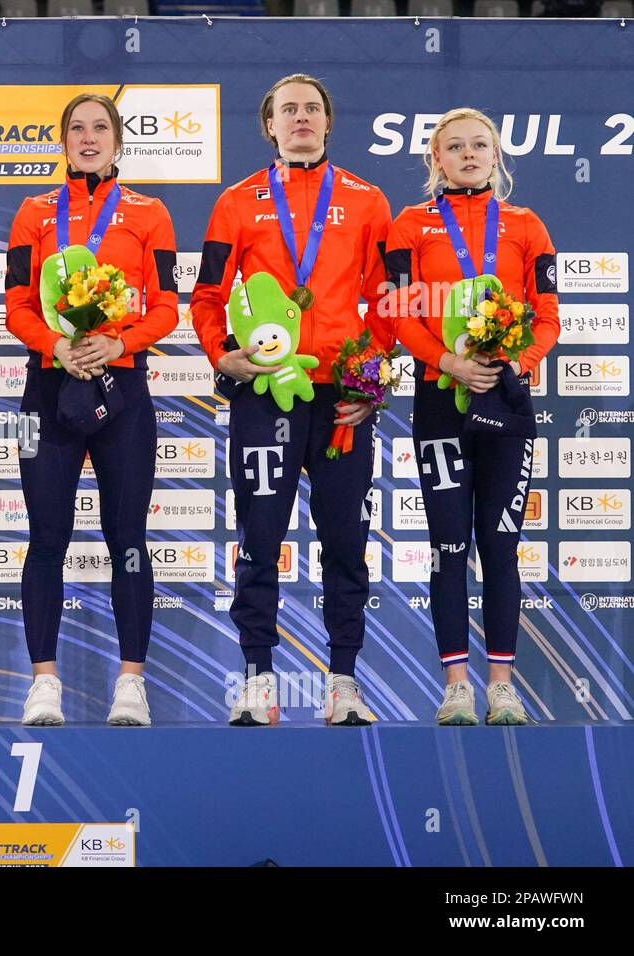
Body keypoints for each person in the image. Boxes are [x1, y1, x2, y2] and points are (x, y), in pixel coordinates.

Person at [190, 73, 393, 727]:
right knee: (259, 539)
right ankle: (256, 681)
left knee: (344, 540)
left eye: (312, 109)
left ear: (328, 123)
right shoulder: (237, 202)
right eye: (288, 111)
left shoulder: (366, 201)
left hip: (340, 399)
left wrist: (372, 380)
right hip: (266, 392)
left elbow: (388, 301)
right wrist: (222, 353)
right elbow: (208, 295)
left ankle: (343, 683)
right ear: (269, 126)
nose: (301, 118)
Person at [4, 94, 178, 726]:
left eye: (99, 127)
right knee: (45, 537)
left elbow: (166, 306)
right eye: (76, 128)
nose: (87, 137)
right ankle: (43, 683)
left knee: (127, 538)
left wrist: (118, 341)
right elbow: (16, 302)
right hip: (49, 387)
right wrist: (56, 344)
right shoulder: (33, 211)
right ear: (62, 141)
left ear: (117, 141)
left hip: (122, 388)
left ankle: (130, 683)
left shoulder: (149, 213)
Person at [384, 108, 559, 725]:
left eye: (479, 145)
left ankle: (502, 686)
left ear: (496, 155)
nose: (467, 155)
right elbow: (401, 317)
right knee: (448, 544)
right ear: (435, 159)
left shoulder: (525, 225)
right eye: (453, 147)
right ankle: (456, 684)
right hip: (440, 398)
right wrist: (448, 364)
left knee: (501, 545)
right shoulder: (409, 226)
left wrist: (517, 364)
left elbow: (547, 317)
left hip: (505, 399)